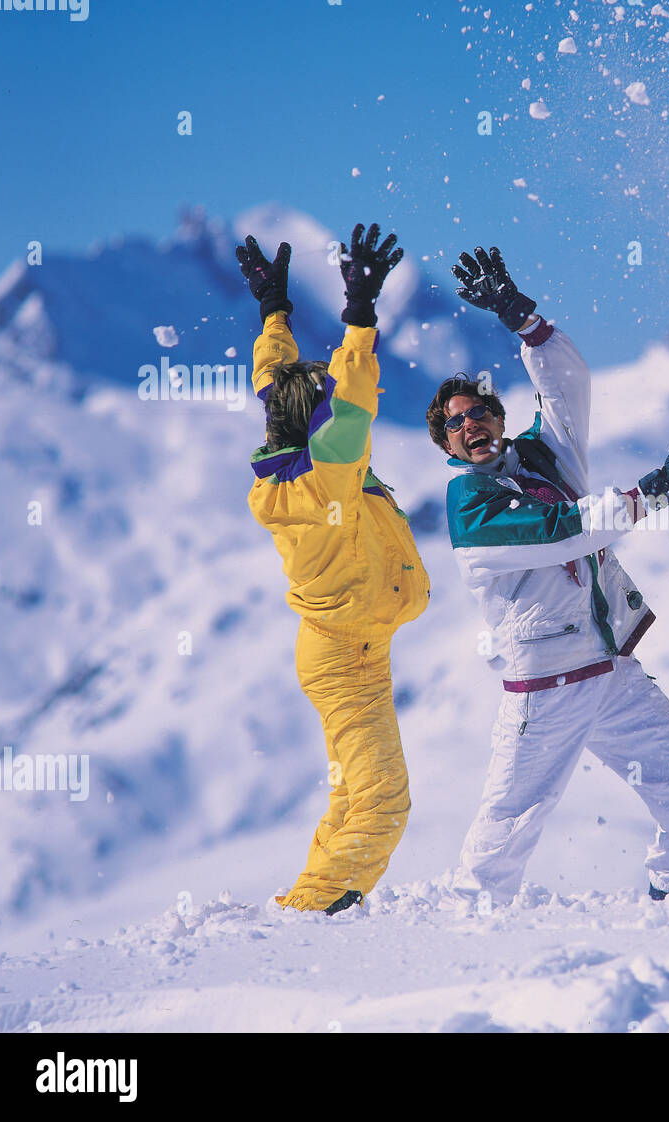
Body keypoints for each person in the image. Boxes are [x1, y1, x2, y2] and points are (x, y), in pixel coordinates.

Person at [431, 245, 669, 906]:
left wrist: (519, 315)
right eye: (454, 424)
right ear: (446, 445)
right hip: (542, 689)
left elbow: (566, 386)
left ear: (499, 421)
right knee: (501, 842)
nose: (470, 425)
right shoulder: (470, 506)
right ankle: (461, 957)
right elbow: (564, 529)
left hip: (609, 671)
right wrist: (656, 490)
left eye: (479, 413)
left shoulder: (542, 460)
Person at [237, 223, 430, 915]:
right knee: (383, 805)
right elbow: (352, 402)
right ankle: (312, 914)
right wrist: (360, 314)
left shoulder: (292, 456)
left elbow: (274, 382)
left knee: (355, 792)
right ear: (315, 426)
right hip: (344, 657)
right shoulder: (326, 481)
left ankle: (310, 901)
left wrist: (273, 311)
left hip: (350, 648)